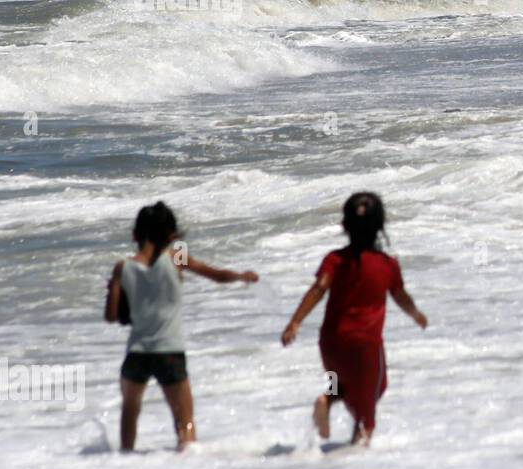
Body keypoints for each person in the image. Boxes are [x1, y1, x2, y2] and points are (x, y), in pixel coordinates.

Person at [103, 202, 258, 452]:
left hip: (137, 354)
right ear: (171, 235)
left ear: (135, 235)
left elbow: (111, 316)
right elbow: (216, 275)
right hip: (169, 353)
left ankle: (124, 463)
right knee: (184, 421)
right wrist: (242, 276)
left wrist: (113, 289)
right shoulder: (176, 257)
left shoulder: (122, 268)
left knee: (130, 413)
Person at [281, 193, 428, 445]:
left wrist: (295, 322)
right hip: (364, 345)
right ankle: (353, 464)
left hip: (331, 342)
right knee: (370, 402)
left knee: (341, 384)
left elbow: (318, 288)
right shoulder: (387, 265)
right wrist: (416, 315)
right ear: (381, 226)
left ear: (344, 225)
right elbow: (400, 296)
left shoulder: (335, 260)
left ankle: (327, 400)